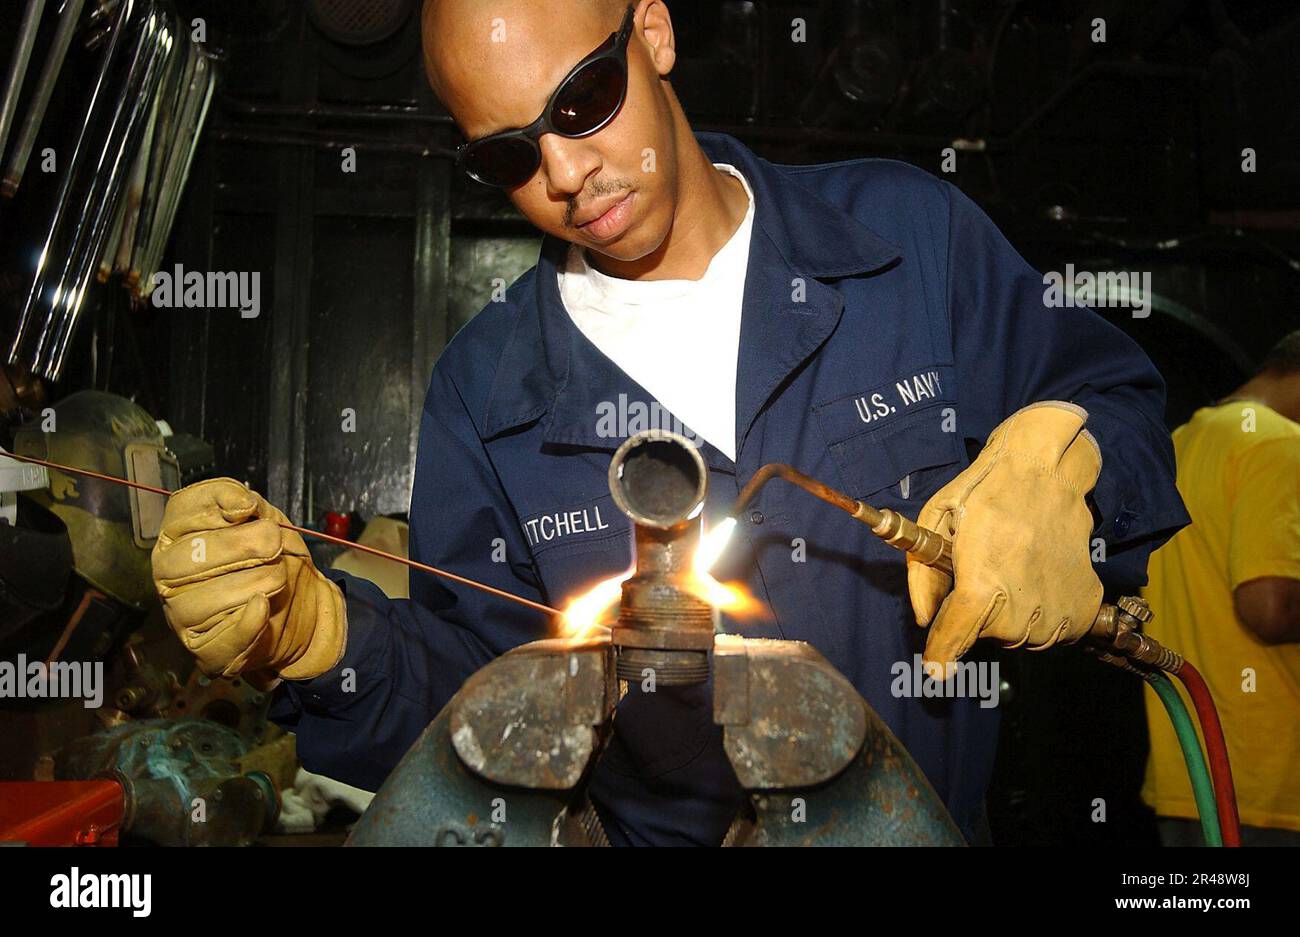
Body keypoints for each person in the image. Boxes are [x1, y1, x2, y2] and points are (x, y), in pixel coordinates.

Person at [150, 0, 1188, 845]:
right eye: (506, 156)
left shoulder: (906, 238)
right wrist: (323, 639)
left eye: (582, 101)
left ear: (651, 33)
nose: (561, 174)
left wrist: (1070, 467)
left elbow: (1123, 405)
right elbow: (485, 710)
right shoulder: (484, 387)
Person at [1141, 331, 1300, 846]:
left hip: (1195, 778)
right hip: (1273, 785)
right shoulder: (1278, 443)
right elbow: (1269, 607)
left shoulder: (1184, 440)